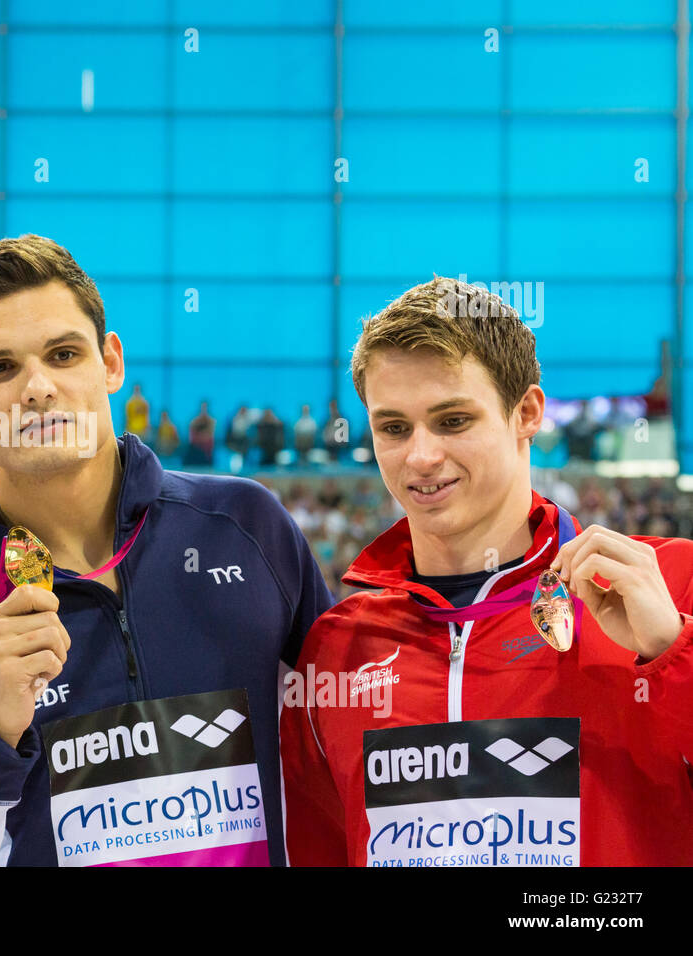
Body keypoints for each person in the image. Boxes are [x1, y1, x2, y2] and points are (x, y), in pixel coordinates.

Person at [0, 235, 332, 866]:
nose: (36, 389)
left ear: (110, 362)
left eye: (63, 354)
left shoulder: (245, 529)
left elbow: (348, 748)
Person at [280, 276, 693, 866]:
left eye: (452, 421)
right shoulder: (340, 648)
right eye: (394, 428)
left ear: (526, 412)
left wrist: (674, 650)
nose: (420, 457)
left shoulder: (667, 584)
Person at [185, 400, 215, 467]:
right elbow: (192, 438)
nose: (204, 409)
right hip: (196, 450)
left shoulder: (211, 421)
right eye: (203, 407)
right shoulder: (194, 421)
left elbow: (209, 437)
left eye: (205, 407)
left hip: (206, 452)